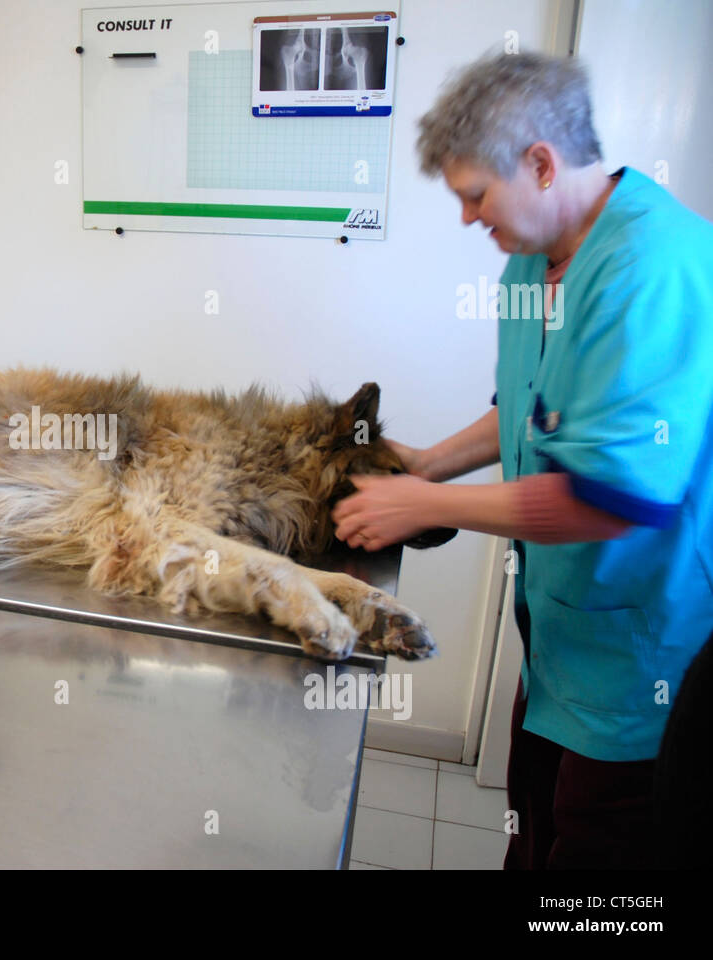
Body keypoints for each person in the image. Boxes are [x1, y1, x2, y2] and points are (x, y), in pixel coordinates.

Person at [330, 52, 713, 868]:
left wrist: (425, 508)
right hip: (557, 640)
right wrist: (431, 464)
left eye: (476, 194)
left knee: (600, 870)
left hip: (641, 655)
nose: (468, 217)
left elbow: (608, 498)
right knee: (533, 831)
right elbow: (528, 406)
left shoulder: (653, 269)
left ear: (541, 163)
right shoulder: (527, 260)